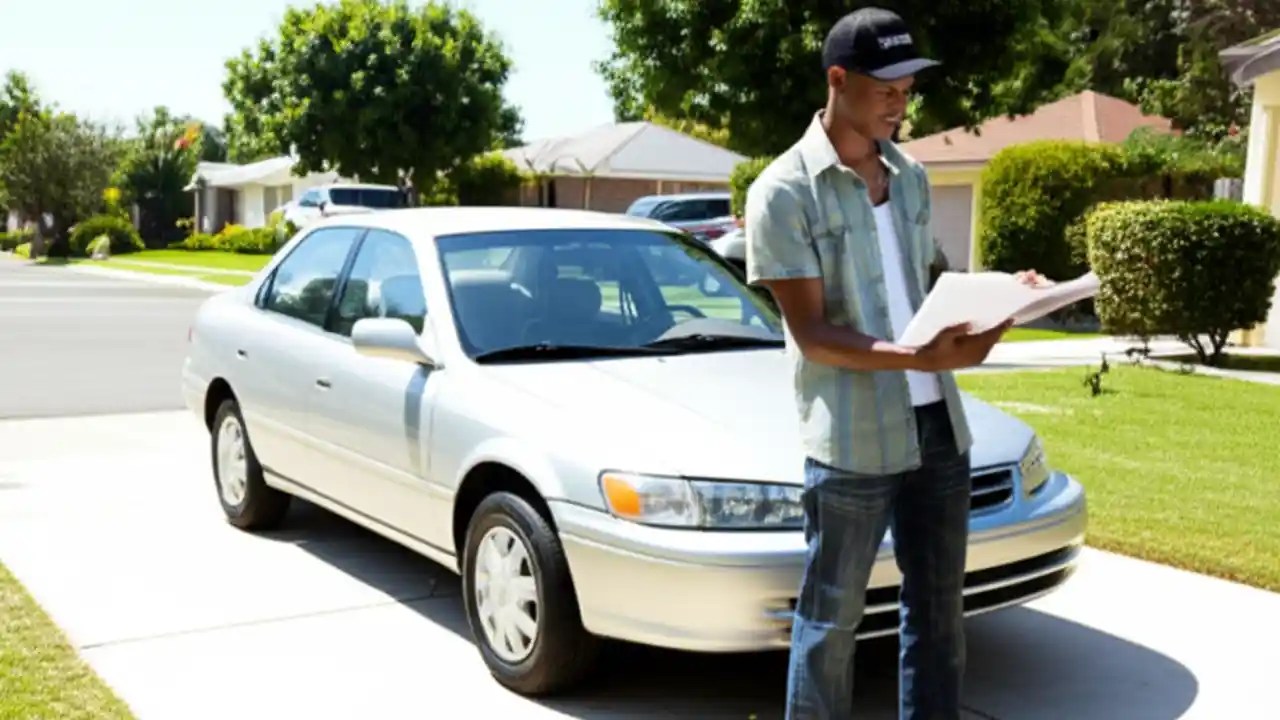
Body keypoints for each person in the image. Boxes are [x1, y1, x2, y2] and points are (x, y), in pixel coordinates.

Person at [744, 8, 1047, 719]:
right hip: (851, 440)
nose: (900, 100)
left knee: (941, 615)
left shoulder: (909, 177)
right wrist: (914, 353)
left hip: (937, 432)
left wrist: (1003, 300)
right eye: (885, 86)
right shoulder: (784, 192)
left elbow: (930, 286)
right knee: (829, 626)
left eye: (908, 87)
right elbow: (814, 333)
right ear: (838, 80)